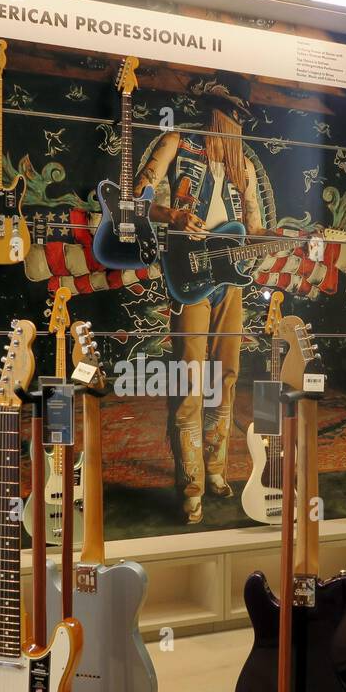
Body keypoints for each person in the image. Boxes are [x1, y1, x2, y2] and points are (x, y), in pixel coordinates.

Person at [134, 74, 283, 524]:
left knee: (229, 375)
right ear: (217, 115)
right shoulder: (177, 143)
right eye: (230, 116)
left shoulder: (245, 170)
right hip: (189, 277)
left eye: (237, 119)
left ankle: (217, 471)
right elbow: (135, 198)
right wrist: (173, 213)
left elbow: (255, 229)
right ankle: (191, 485)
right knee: (191, 377)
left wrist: (278, 240)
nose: (233, 126)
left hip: (230, 282)